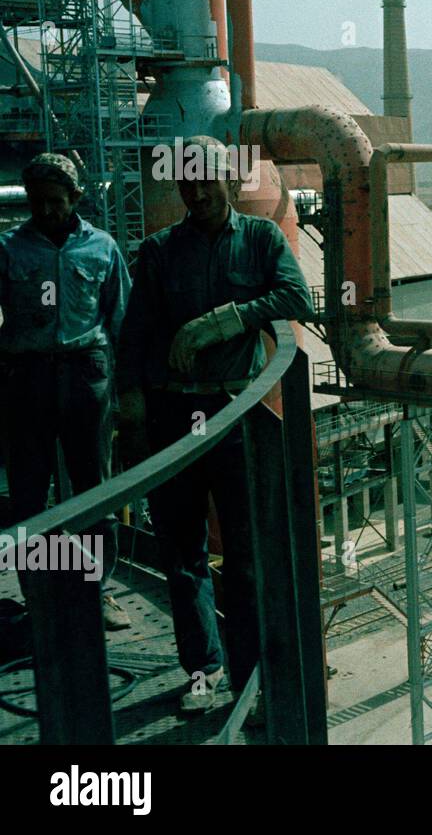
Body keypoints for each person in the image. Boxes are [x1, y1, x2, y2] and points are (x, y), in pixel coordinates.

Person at [116, 135, 312, 715]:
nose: (197, 192)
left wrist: (227, 320)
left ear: (227, 181)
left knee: (247, 557)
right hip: (177, 414)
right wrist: (131, 415)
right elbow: (134, 340)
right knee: (182, 554)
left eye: (207, 180)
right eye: (186, 181)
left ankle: (250, 681)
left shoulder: (259, 239)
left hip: (236, 414)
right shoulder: (157, 253)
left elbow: (296, 296)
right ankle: (203, 670)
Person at [0, 153, 132, 630]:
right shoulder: (10, 248)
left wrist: (130, 391)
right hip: (26, 378)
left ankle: (98, 593)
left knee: (94, 490)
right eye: (38, 202)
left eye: (57, 202)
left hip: (86, 375)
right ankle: (39, 597)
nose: (48, 211)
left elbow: (122, 318)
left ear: (76, 198)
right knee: (29, 496)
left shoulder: (102, 248)